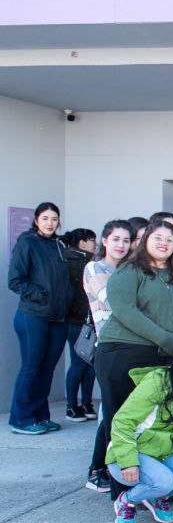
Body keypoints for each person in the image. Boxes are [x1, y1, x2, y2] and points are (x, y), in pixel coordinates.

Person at [97, 221, 173, 496]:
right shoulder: (130, 270)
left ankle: (155, 484)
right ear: (144, 241)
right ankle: (121, 485)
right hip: (123, 351)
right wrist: (168, 340)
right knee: (120, 415)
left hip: (165, 355)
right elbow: (125, 310)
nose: (164, 242)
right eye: (158, 237)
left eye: (170, 238)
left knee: (156, 419)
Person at [105, 335, 173, 523]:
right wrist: (128, 461)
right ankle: (126, 501)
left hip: (162, 454)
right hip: (128, 454)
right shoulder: (159, 380)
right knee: (164, 481)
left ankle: (154, 495)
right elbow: (122, 421)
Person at [7, 202, 72, 435]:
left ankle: (40, 416)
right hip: (33, 316)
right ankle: (21, 419)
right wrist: (41, 296)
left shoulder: (59, 244)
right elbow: (15, 280)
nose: (50, 223)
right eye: (45, 218)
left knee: (47, 369)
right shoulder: (27, 242)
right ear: (36, 220)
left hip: (58, 317)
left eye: (54, 218)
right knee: (32, 368)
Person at [82, 220, 133, 492]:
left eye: (126, 240)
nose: (121, 245)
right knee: (111, 412)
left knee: (120, 411)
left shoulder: (127, 269)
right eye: (116, 239)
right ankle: (97, 470)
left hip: (131, 347)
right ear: (104, 241)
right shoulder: (95, 268)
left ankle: (110, 467)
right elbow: (113, 300)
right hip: (110, 346)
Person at [61, 228, 97, 422]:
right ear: (82, 243)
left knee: (90, 365)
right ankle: (72, 406)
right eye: (92, 240)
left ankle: (86, 403)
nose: (96, 244)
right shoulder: (71, 261)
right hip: (76, 321)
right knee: (78, 364)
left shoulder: (89, 261)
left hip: (90, 322)